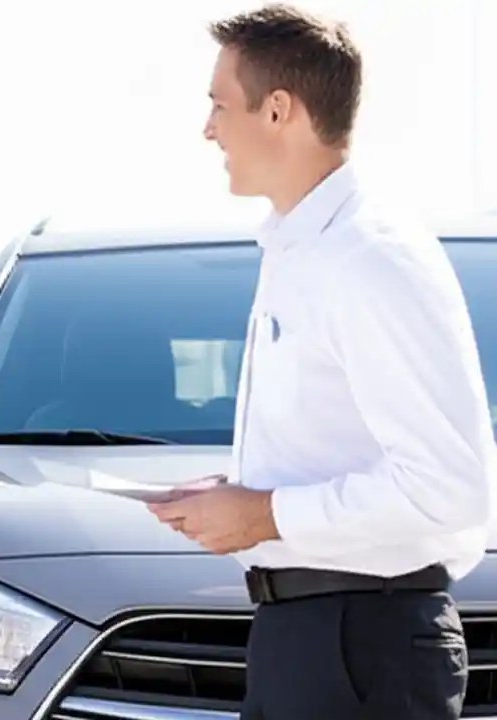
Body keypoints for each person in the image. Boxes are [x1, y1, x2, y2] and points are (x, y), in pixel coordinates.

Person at [147, 4, 494, 718]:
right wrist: (241, 493)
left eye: (218, 104)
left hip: (363, 645)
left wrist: (264, 514)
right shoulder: (301, 249)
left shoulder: (369, 257)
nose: (208, 128)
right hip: (307, 642)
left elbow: (450, 487)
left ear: (278, 111)